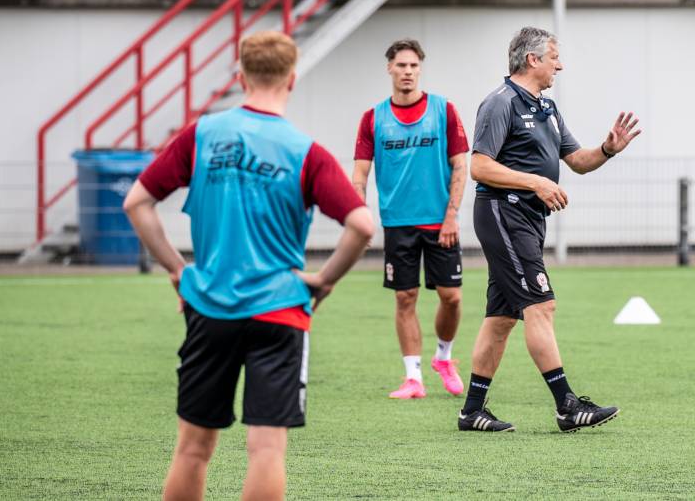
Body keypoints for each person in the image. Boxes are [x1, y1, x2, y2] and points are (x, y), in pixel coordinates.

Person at [123, 31, 374, 500]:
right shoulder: (305, 150)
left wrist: (179, 272)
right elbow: (361, 226)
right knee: (266, 451)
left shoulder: (202, 135)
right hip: (280, 310)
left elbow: (137, 203)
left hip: (209, 307)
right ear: (292, 80)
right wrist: (323, 280)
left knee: (193, 449)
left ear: (240, 77)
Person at [457, 27, 642, 433]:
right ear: (532, 60)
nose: (561, 64)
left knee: (501, 317)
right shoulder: (499, 103)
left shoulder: (548, 108)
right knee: (541, 305)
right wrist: (535, 182)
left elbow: (577, 160)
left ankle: (471, 412)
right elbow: (479, 166)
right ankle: (567, 406)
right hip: (502, 213)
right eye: (554, 56)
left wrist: (608, 149)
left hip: (527, 218)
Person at [352, 39, 470, 399]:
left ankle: (443, 358)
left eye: (413, 66)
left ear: (420, 69)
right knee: (405, 297)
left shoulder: (443, 110)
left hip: (439, 222)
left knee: (451, 298)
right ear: (389, 68)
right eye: (401, 65)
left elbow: (461, 166)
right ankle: (413, 377)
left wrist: (451, 215)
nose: (407, 72)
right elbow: (359, 175)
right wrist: (360, 217)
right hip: (397, 223)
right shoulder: (373, 118)